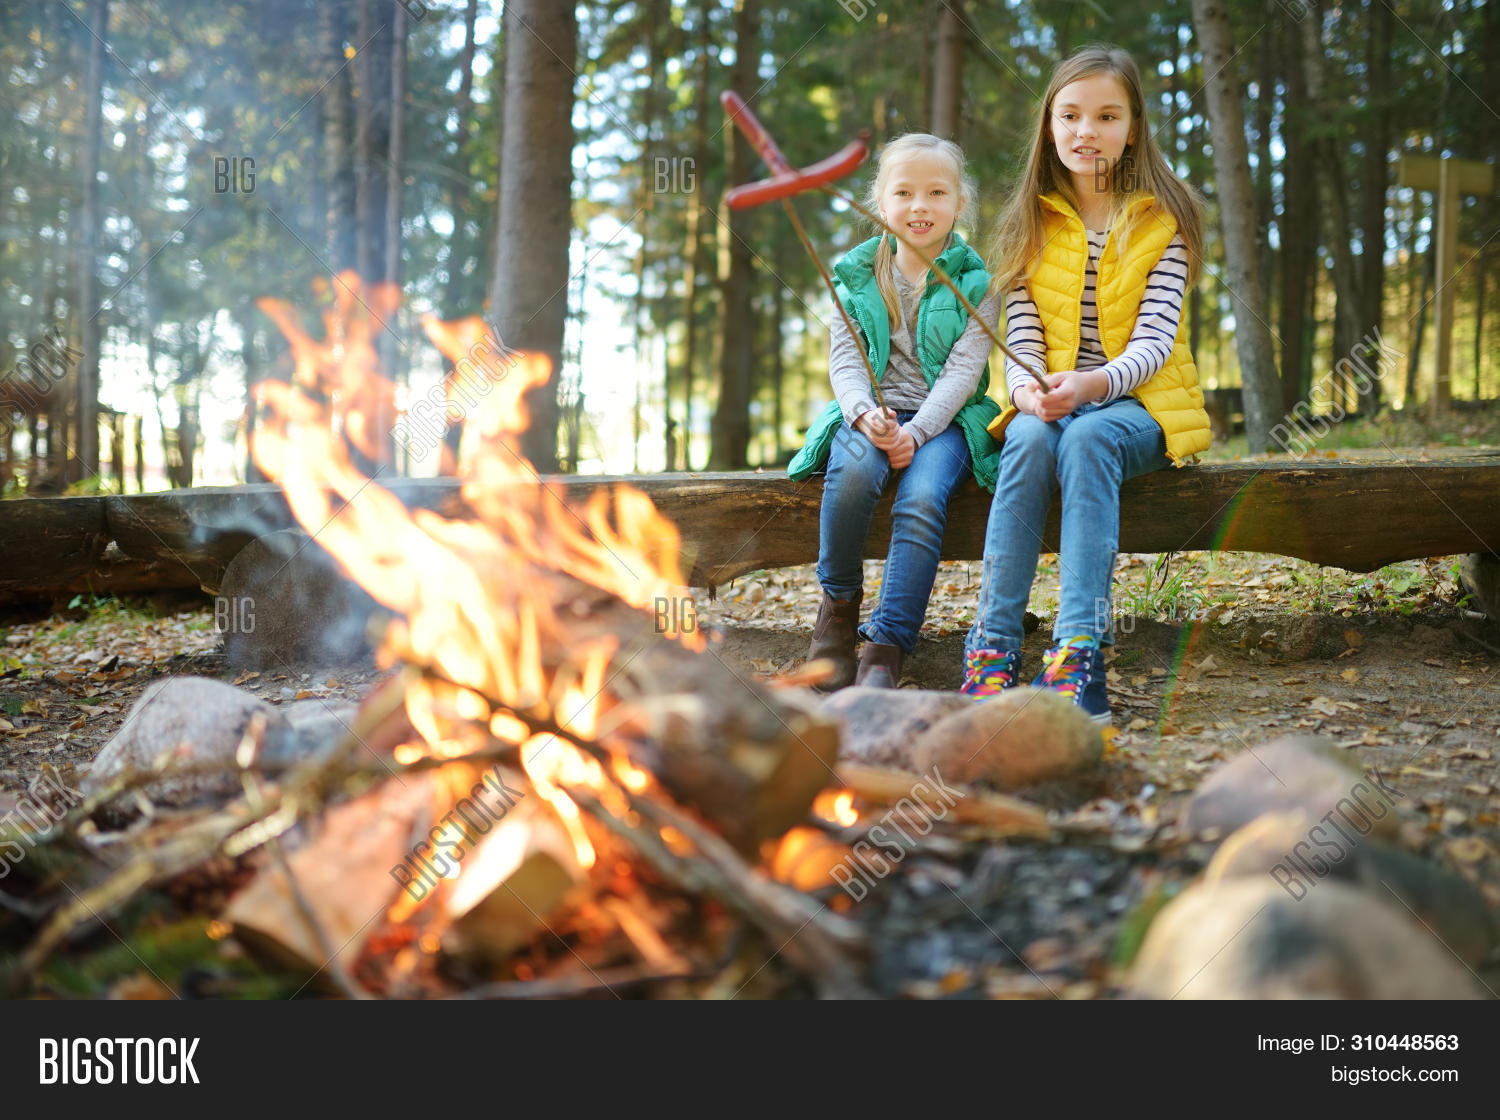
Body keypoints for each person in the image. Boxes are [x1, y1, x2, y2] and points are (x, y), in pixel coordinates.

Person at [961, 44, 1211, 723]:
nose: (1086, 131)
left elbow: (1156, 343)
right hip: (1055, 400)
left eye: (1106, 116)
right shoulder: (1028, 223)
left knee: (1088, 440)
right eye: (1069, 115)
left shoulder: (1162, 219)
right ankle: (991, 653)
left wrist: (1094, 385)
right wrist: (1025, 392)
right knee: (1031, 441)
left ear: (1133, 127)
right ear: (1049, 124)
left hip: (1142, 407)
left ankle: (1080, 658)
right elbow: (1020, 340)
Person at [788, 133, 1002, 691]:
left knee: (924, 497)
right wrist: (864, 416)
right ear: (880, 204)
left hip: (946, 422)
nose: (919, 206)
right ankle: (837, 607)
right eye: (903, 192)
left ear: (959, 204)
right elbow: (845, 363)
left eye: (936, 192)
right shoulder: (857, 276)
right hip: (871, 415)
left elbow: (962, 372)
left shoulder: (979, 282)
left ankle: (887, 644)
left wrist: (920, 431)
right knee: (855, 471)